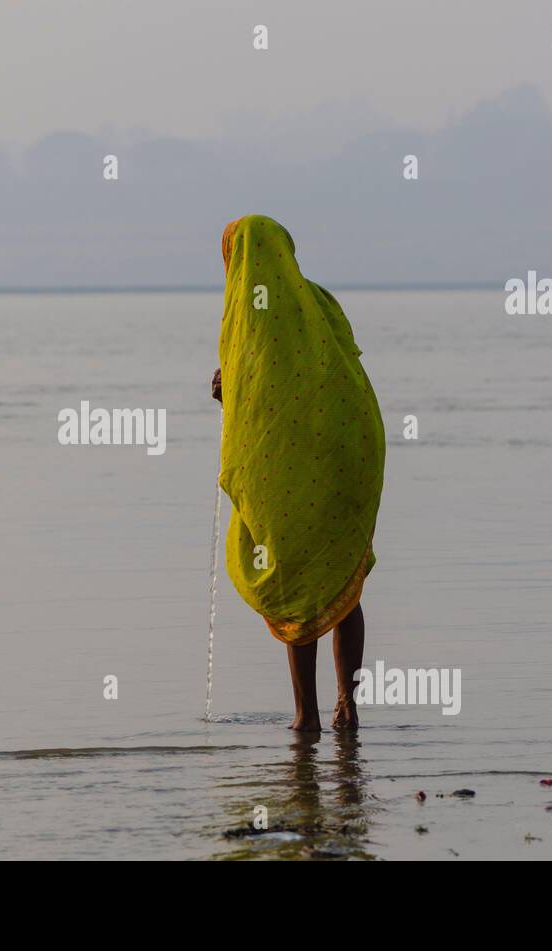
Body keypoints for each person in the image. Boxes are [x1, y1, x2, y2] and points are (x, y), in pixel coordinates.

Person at [211, 215, 385, 732]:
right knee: (338, 580)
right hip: (342, 454)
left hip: (289, 472)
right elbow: (342, 366)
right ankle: (346, 707)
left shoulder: (243, 316)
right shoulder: (318, 302)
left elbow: (258, 383)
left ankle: (307, 714)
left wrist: (230, 388)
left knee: (295, 577)